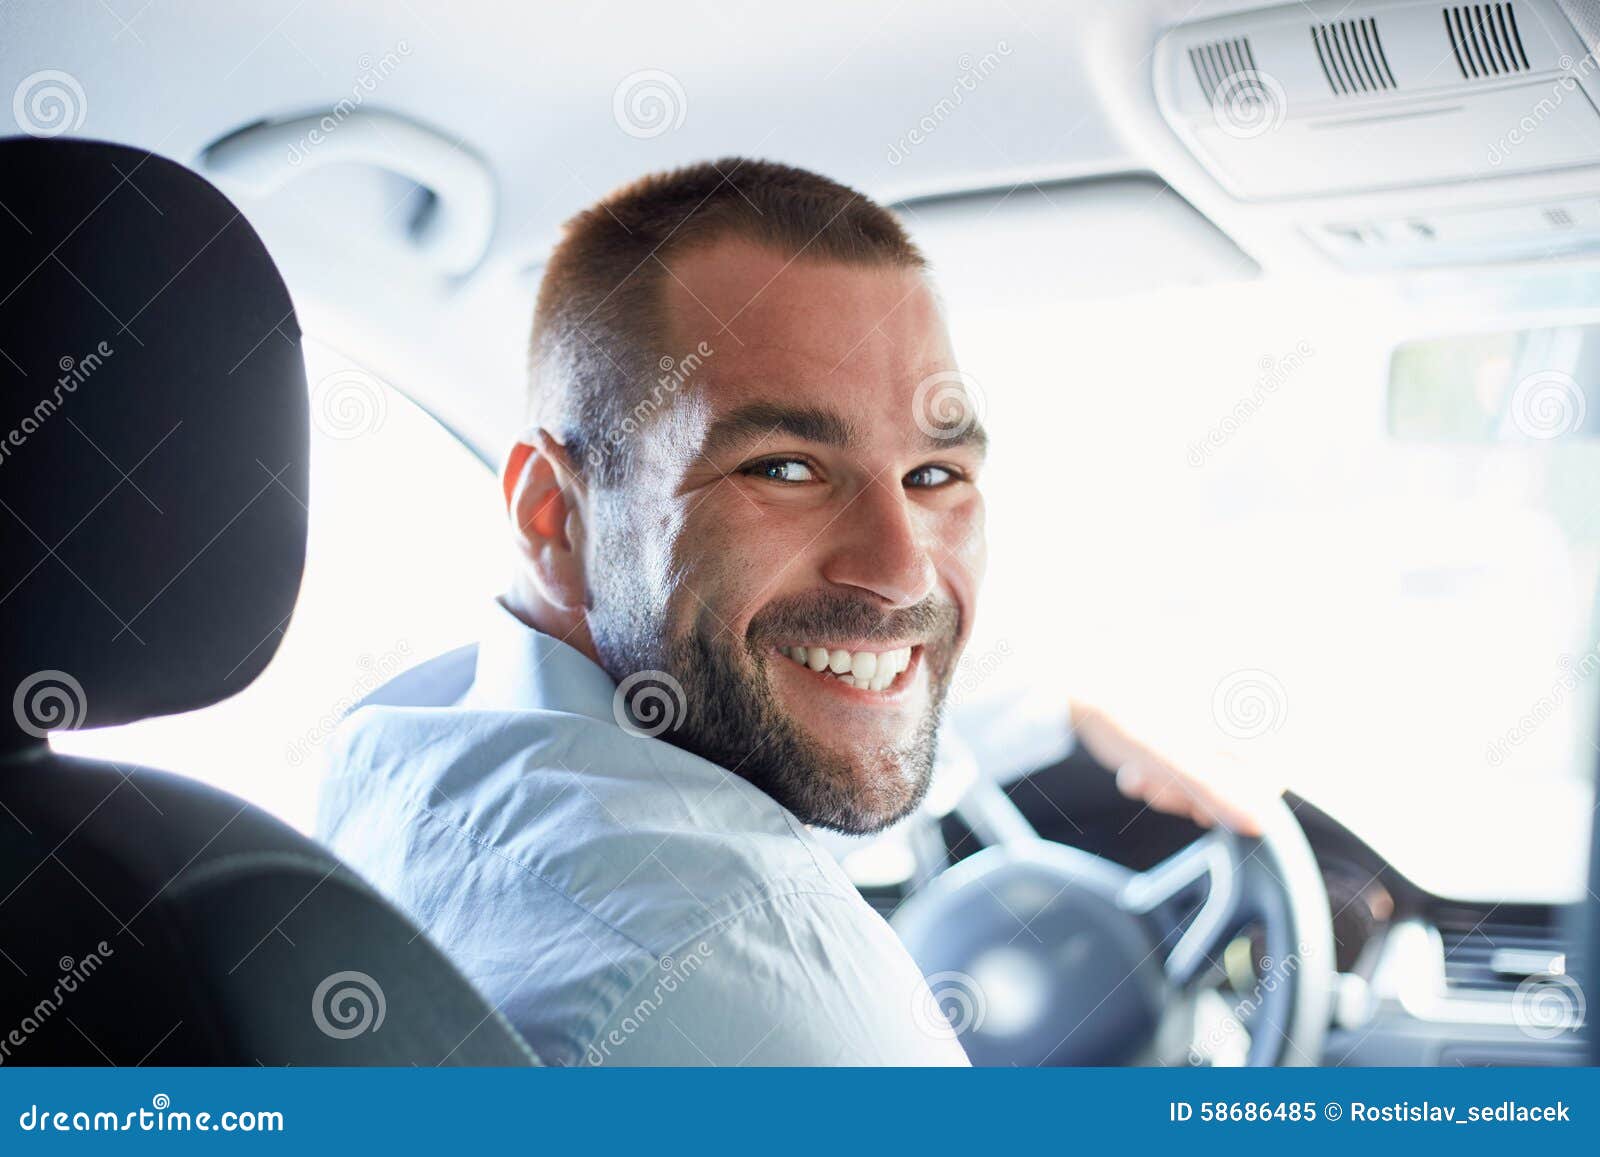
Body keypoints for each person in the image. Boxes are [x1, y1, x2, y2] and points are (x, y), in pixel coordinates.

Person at [318, 158, 1264, 1066]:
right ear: (555, 514)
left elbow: (756, 670)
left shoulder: (404, 749)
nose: (902, 573)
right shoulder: (771, 992)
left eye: (934, 475)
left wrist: (1063, 707)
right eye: (785, 469)